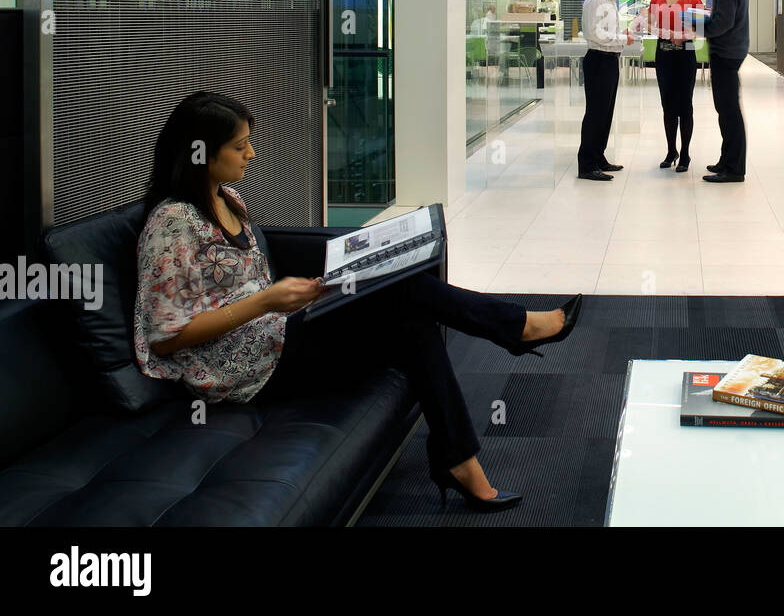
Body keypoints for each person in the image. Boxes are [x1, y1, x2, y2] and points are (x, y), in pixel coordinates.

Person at [134, 92, 582, 514]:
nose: (251, 154)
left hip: (276, 332)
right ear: (201, 154)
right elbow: (166, 337)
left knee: (407, 315)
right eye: (240, 146)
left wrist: (299, 293)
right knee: (404, 304)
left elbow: (247, 289)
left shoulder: (226, 198)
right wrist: (266, 301)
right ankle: (514, 330)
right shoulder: (172, 223)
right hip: (243, 369)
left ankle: (460, 455)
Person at [577, 0, 632, 181]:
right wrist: (621, 38)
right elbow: (594, 34)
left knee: (605, 113)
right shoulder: (596, 0)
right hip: (599, 60)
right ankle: (587, 165)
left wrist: (620, 38)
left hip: (609, 60)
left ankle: (598, 157)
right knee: (595, 113)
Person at [648, 0, 704, 172]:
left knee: (685, 105)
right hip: (663, 56)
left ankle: (686, 154)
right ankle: (671, 150)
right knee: (667, 105)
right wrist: (666, 33)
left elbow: (699, 31)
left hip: (685, 55)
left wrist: (681, 35)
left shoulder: (694, 0)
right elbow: (651, 27)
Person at [701, 0, 749, 183]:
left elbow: (722, 24)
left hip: (726, 53)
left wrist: (697, 26)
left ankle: (734, 169)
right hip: (730, 51)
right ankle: (726, 161)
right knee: (726, 110)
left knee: (729, 111)